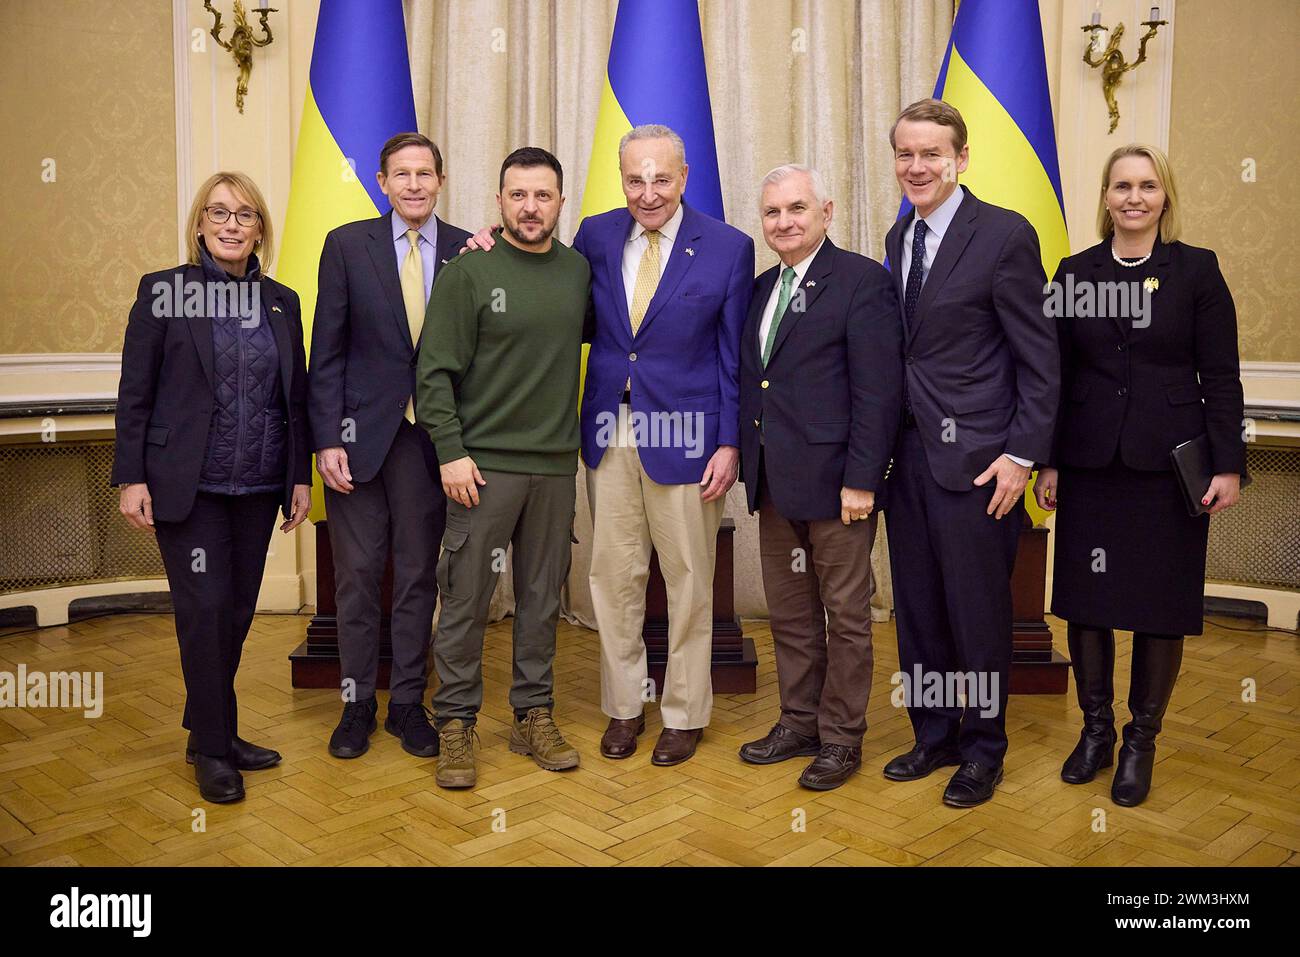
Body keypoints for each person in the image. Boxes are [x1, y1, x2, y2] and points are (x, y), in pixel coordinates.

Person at [467, 125, 754, 767]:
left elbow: (735, 357)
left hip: (687, 437)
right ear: (620, 179)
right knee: (614, 576)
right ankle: (625, 708)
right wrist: (486, 243)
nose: (647, 193)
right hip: (609, 431)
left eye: (660, 179)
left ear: (684, 178)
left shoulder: (729, 248)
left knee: (688, 581)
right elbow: (541, 279)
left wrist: (729, 441)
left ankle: (683, 714)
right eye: (634, 179)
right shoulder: (595, 234)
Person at [1035, 144, 1245, 807]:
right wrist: (1047, 458)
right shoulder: (1074, 272)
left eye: (1147, 186)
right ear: (1104, 197)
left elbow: (1221, 375)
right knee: (1086, 603)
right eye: (1121, 185)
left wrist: (1229, 464)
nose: (1133, 197)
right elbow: (1054, 377)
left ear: (1164, 196)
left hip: (1170, 470)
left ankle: (1139, 741)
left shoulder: (1197, 271)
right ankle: (1095, 731)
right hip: (1091, 464)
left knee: (1160, 607)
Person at [882, 99, 1059, 807]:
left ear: (962, 158)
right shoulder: (899, 238)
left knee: (978, 613)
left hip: (983, 464)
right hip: (909, 459)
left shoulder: (1005, 235)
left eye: (931, 153)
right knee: (920, 608)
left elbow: (1041, 358)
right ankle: (934, 733)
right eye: (905, 154)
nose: (917, 166)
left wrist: (1022, 455)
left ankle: (984, 747)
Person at [113, 172, 311, 804]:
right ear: (199, 222)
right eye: (219, 212)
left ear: (260, 229)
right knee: (204, 615)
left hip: (257, 486)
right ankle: (215, 749)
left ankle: (209, 730)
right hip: (187, 486)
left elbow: (296, 399)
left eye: (245, 214)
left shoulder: (282, 301)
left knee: (237, 613)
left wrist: (298, 475)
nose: (231, 224)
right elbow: (135, 394)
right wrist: (131, 476)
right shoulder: (163, 293)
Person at [415, 147, 591, 789]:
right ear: (498, 201)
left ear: (560, 202)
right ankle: (455, 722)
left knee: (543, 600)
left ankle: (532, 715)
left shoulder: (578, 272)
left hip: (554, 468)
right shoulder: (469, 273)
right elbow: (433, 372)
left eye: (543, 195)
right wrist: (450, 452)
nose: (530, 207)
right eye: (518, 195)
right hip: (480, 468)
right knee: (466, 599)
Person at [736, 165, 902, 790]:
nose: (784, 222)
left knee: (847, 617)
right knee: (791, 616)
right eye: (773, 212)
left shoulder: (862, 282)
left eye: (797, 209)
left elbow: (878, 391)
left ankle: (840, 738)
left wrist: (863, 479)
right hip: (775, 483)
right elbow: (760, 382)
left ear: (826, 212)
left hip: (840, 489)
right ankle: (798, 721)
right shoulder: (758, 289)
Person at [307, 133, 472, 761]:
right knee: (354, 576)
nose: (413, 185)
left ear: (441, 180)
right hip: (357, 441)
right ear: (382, 182)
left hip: (429, 443)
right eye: (401, 174)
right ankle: (357, 706)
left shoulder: (467, 250)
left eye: (425, 173)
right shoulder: (348, 245)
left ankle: (407, 703)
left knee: (415, 575)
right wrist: (327, 440)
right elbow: (326, 352)